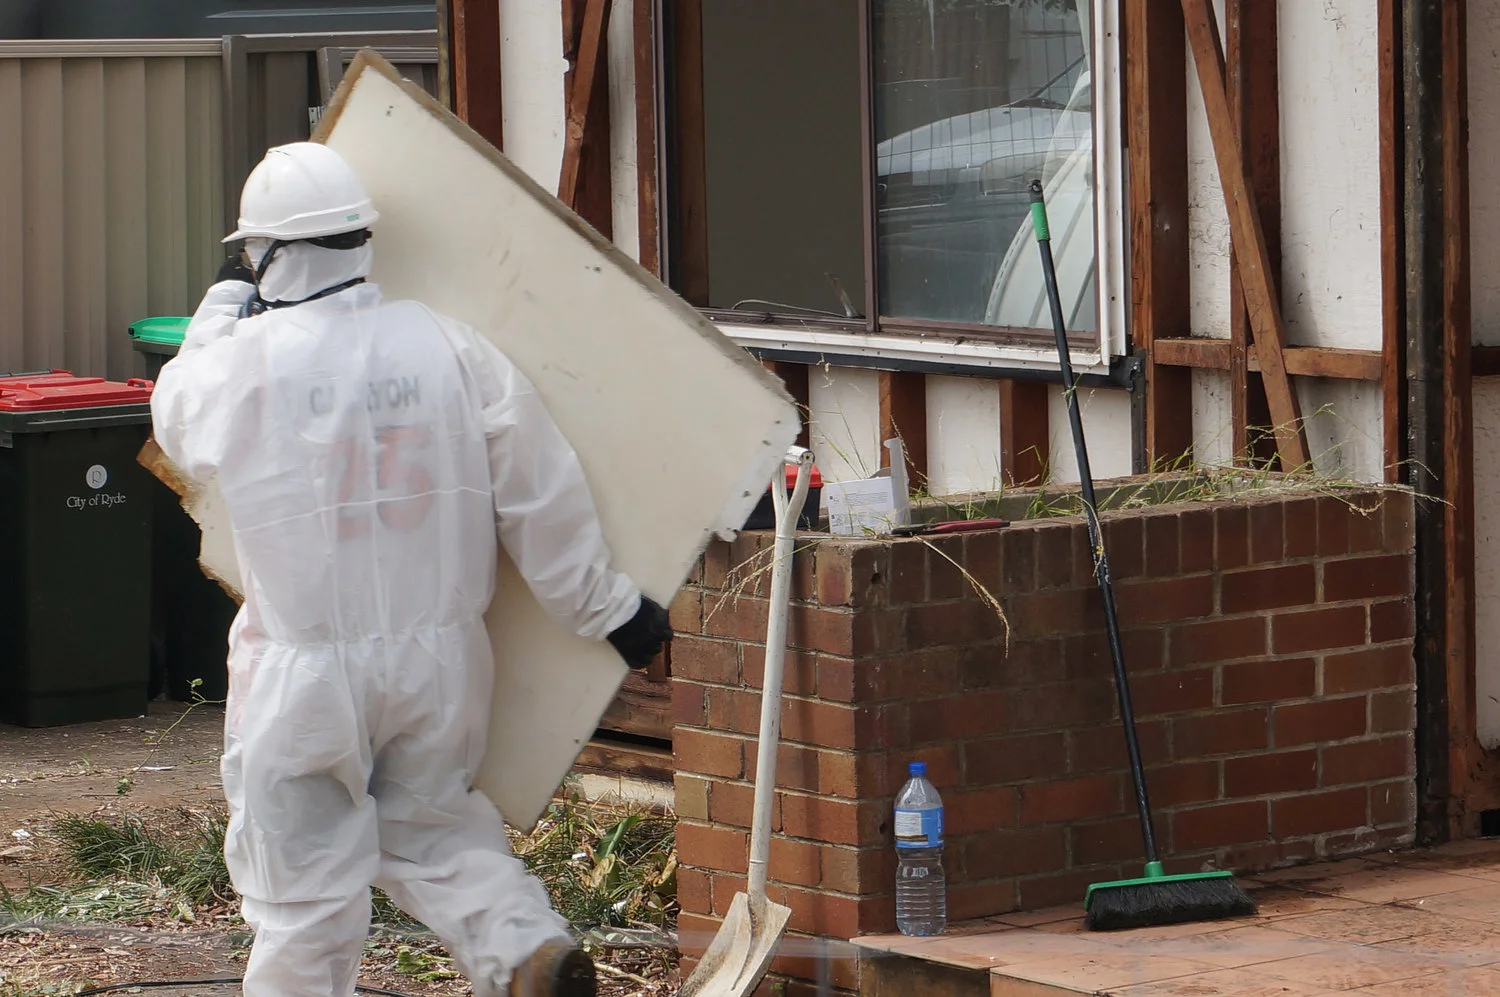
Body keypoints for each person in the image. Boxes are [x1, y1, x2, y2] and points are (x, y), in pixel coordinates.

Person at [150, 142, 671, 997]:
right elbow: (539, 489)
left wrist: (220, 309)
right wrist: (608, 608)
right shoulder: (449, 346)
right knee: (437, 832)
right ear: (360, 240)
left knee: (303, 890)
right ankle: (523, 946)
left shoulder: (243, 362)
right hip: (440, 660)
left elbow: (177, 422)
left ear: (271, 255)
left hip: (306, 671)